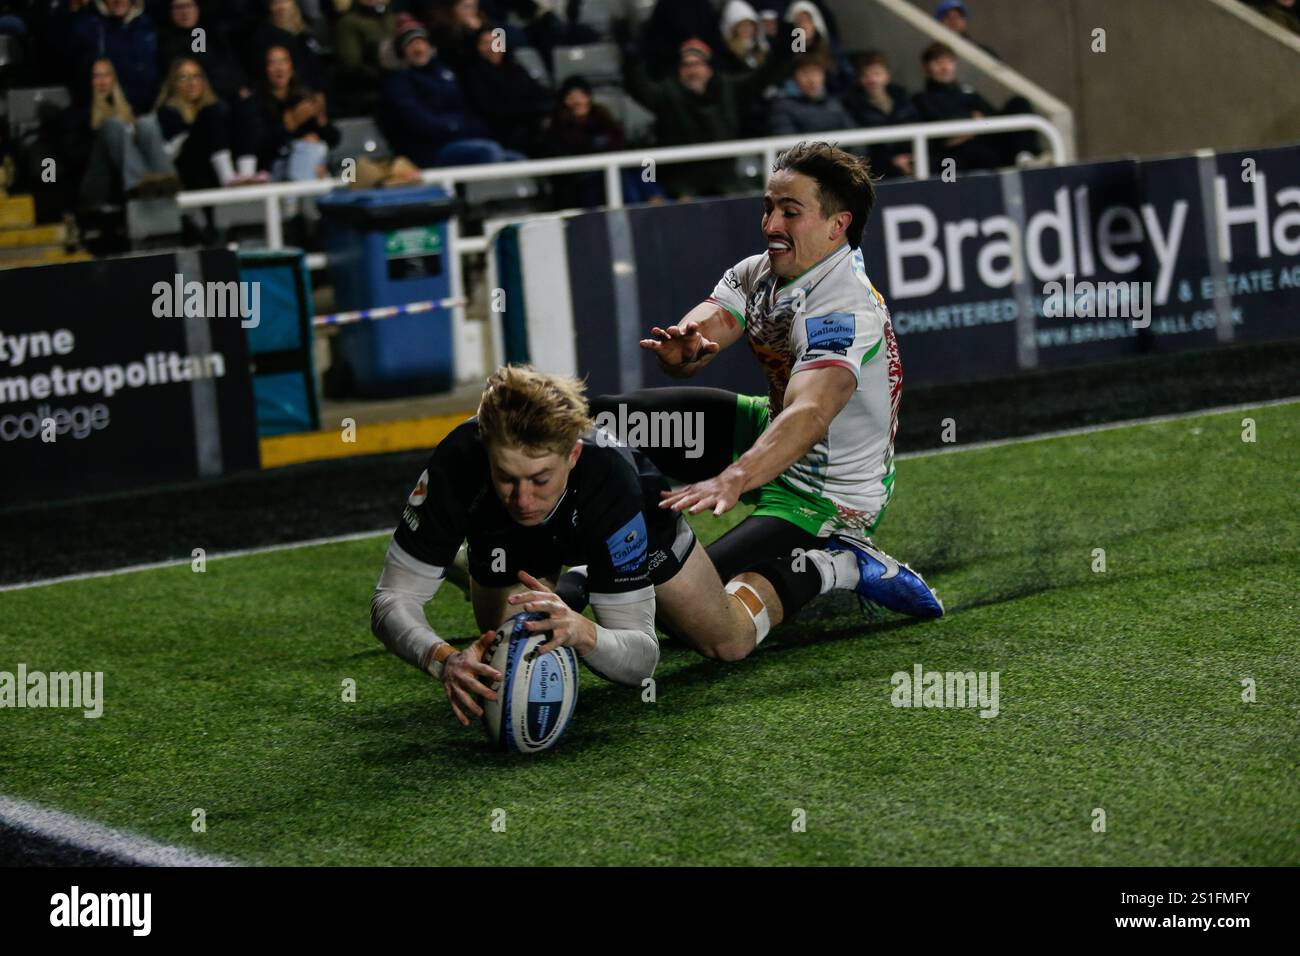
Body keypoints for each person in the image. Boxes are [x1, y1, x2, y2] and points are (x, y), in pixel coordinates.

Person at [566, 142, 944, 663]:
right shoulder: (759, 272)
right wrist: (682, 352)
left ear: (838, 226)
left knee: (685, 619)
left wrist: (738, 476)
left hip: (823, 495)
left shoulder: (844, 308)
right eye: (769, 207)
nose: (770, 223)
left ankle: (840, 564)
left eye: (791, 212)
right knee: (599, 423)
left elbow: (810, 413)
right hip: (760, 428)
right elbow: (701, 337)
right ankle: (560, 548)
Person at [369, 366, 676, 725]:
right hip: (512, 545)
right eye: (506, 478)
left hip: (624, 523)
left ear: (572, 455)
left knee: (726, 642)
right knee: (515, 652)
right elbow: (389, 600)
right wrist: (443, 659)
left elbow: (641, 664)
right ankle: (469, 562)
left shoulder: (610, 473)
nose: (524, 499)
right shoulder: (458, 458)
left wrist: (583, 632)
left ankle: (569, 577)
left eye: (540, 478)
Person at [623, 34, 794, 199]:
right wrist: (633, 63)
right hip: (683, 185)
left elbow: (762, 78)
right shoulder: (667, 93)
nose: (692, 71)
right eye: (686, 65)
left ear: (709, 68)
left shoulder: (728, 87)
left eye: (697, 64)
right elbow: (640, 89)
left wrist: (782, 51)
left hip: (727, 182)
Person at [381, 16, 523, 167]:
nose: (419, 49)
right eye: (411, 44)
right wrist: (454, 127)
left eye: (422, 42)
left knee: (516, 158)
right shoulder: (399, 82)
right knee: (488, 151)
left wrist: (464, 127)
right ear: (402, 51)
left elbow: (466, 109)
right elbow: (419, 122)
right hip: (430, 150)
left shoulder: (445, 73)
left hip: (460, 140)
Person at [541, 75, 663, 208]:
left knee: (646, 163)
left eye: (581, 95)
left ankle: (656, 198)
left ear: (588, 97)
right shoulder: (558, 127)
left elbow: (619, 144)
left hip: (614, 167)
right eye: (571, 97)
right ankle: (637, 208)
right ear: (565, 101)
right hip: (586, 179)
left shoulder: (602, 116)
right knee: (621, 177)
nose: (577, 101)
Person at [912, 41, 1034, 172]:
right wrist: (972, 119)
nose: (945, 68)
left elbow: (991, 117)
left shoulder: (968, 91)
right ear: (927, 67)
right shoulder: (922, 99)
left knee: (1019, 103)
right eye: (938, 63)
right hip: (961, 154)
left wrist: (973, 125)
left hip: (990, 141)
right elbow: (944, 134)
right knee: (974, 150)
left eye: (949, 62)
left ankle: (1024, 156)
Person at [77, 56, 180, 204]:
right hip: (102, 182)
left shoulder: (129, 111)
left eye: (107, 75)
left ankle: (167, 180)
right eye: (96, 76)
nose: (103, 82)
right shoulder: (80, 115)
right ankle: (138, 182)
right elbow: (79, 158)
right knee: (112, 125)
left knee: (146, 123)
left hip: (135, 179)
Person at [236, 43, 338, 181]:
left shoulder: (302, 97)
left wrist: (322, 120)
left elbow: (333, 139)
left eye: (284, 61)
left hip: (310, 163)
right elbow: (256, 149)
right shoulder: (254, 103)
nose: (279, 68)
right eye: (273, 63)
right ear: (264, 68)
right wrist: (289, 125)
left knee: (314, 151)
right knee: (307, 151)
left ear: (291, 66)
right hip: (271, 169)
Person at [459, 22, 551, 156]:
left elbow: (539, 92)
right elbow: (491, 109)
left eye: (496, 42)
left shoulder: (514, 67)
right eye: (485, 43)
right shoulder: (473, 74)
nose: (492, 47)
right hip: (502, 132)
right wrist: (529, 109)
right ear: (477, 47)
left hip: (529, 126)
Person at [70, 0, 160, 114]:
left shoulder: (147, 25)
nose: (118, 1)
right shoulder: (89, 26)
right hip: (106, 112)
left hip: (147, 110)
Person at [843, 51, 919, 179]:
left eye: (877, 74)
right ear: (859, 79)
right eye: (866, 75)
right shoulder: (852, 105)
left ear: (887, 76)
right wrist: (891, 160)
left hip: (911, 157)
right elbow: (861, 147)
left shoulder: (902, 98)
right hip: (877, 165)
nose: (872, 80)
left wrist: (910, 156)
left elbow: (915, 124)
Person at [156, 0, 245, 103]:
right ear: (171, 12)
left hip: (224, 97)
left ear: (197, 9)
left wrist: (239, 86)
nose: (185, 12)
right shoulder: (164, 42)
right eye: (179, 7)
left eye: (189, 6)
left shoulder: (214, 34)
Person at [333, 0, 398, 117]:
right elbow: (351, 65)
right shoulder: (349, 23)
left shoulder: (394, 19)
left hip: (401, 85)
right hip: (371, 91)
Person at [768, 54, 854, 136]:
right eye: (805, 73)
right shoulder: (782, 107)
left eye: (816, 72)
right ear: (794, 77)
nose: (811, 80)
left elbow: (854, 138)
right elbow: (787, 143)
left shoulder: (835, 104)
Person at [933, 0, 999, 60]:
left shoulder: (984, 52)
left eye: (958, 16)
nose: (954, 21)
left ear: (964, 21)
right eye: (948, 17)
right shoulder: (931, 53)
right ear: (939, 22)